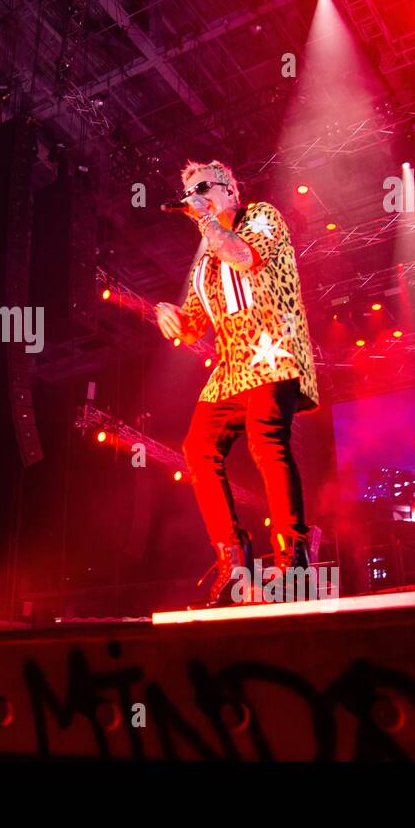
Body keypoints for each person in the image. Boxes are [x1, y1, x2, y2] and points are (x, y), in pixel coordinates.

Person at [155, 160, 319, 605]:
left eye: (203, 187)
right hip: (231, 366)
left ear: (230, 190)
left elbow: (245, 255)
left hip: (272, 349)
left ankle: (294, 558)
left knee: (267, 441)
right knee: (198, 449)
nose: (196, 196)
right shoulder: (204, 257)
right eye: (190, 190)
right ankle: (234, 559)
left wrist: (205, 217)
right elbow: (193, 324)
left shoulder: (262, 216)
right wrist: (171, 317)